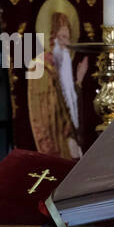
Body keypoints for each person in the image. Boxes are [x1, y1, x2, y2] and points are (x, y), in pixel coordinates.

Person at [27, 10, 90, 159]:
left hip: (69, 136)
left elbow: (67, 103)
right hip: (54, 139)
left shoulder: (62, 66)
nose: (66, 43)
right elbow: (42, 113)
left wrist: (79, 81)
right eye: (62, 37)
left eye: (68, 38)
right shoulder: (40, 66)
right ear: (52, 38)